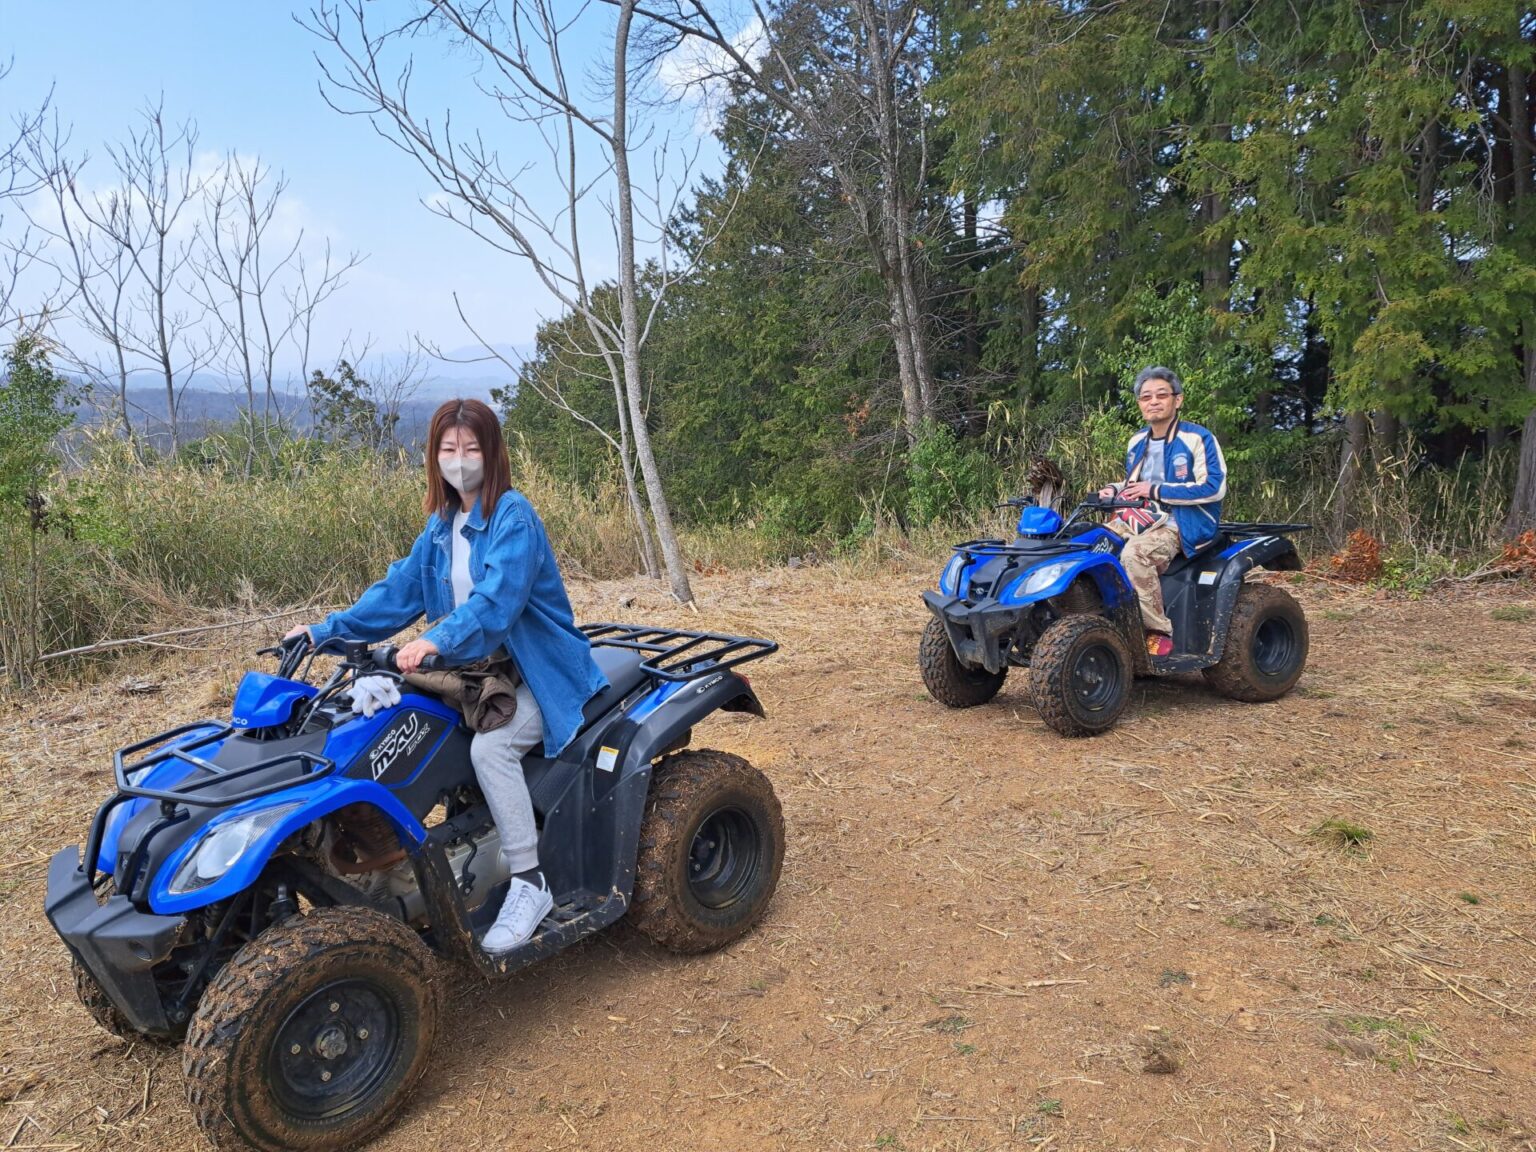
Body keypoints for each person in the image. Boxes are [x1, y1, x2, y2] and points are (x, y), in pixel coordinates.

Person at [288, 398, 607, 954]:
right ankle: (392, 863)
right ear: (434, 456)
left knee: (491, 752)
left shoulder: (513, 516)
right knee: (383, 728)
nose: (460, 460)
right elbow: (398, 591)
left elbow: (496, 603)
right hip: (472, 669)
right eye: (448, 449)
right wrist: (325, 631)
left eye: (472, 449)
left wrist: (434, 640)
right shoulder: (441, 527)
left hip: (535, 670)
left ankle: (530, 883)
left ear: (492, 453)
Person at [1097, 366, 1227, 657]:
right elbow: (1134, 484)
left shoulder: (1197, 438)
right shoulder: (1137, 441)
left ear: (1177, 400)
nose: (1153, 401)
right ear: (1139, 404)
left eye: (1161, 395)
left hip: (1181, 522)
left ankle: (1157, 632)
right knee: (1088, 541)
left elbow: (1214, 488)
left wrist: (1155, 491)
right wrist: (1113, 490)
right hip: (1140, 518)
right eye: (1146, 397)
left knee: (1135, 554)